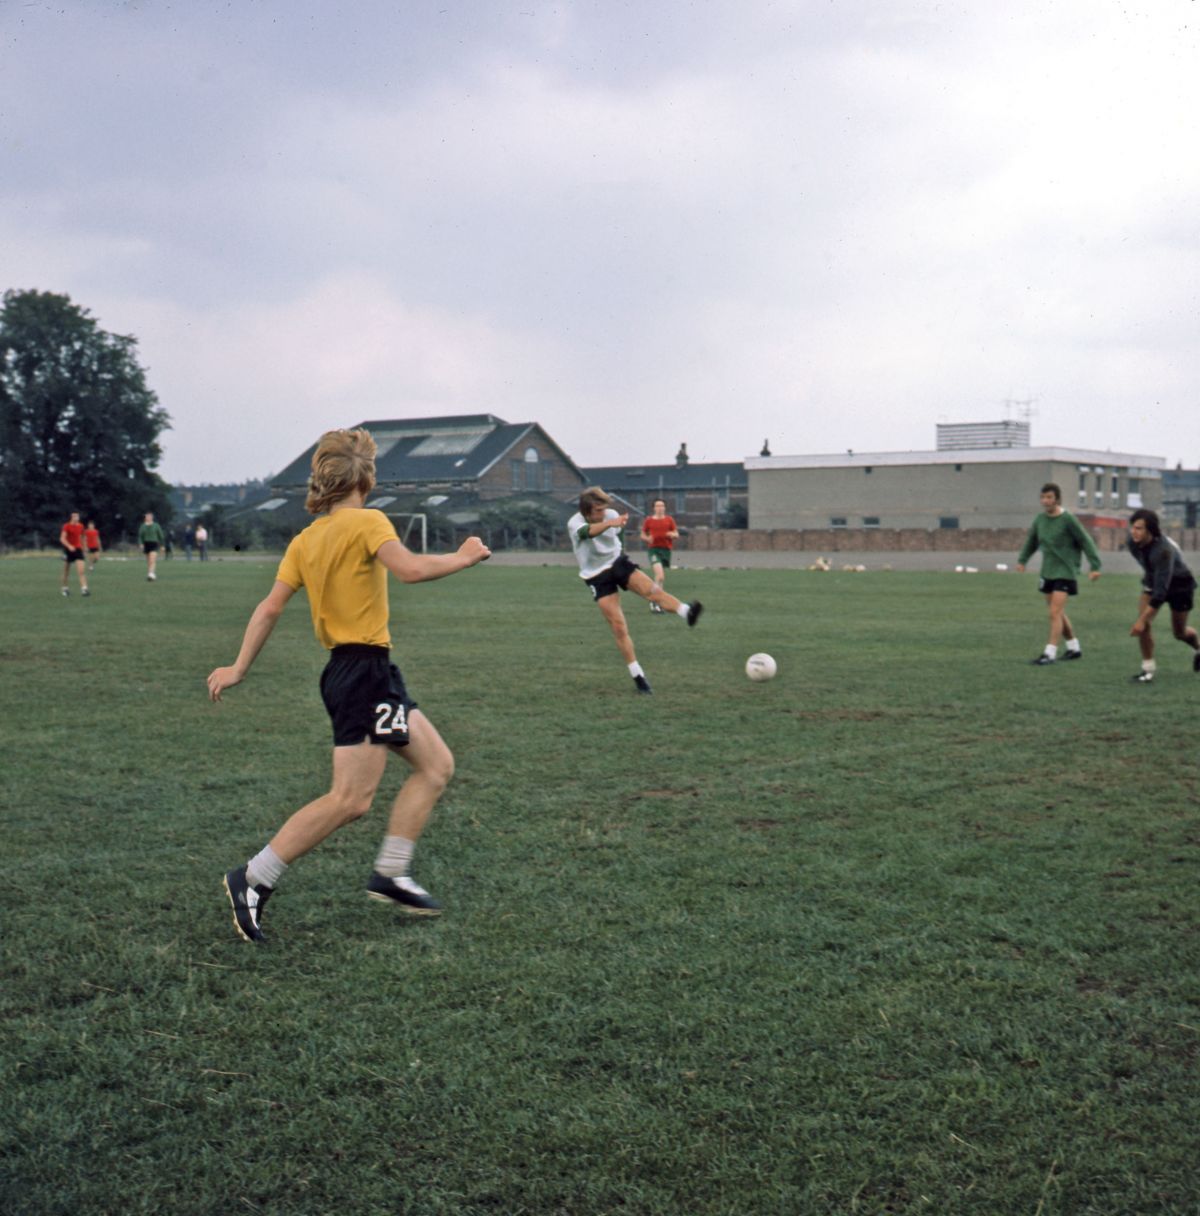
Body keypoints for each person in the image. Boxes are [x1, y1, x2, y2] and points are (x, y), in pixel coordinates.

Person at [208, 428, 490, 943]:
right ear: (367, 479)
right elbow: (409, 570)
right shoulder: (369, 521)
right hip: (362, 674)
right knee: (350, 799)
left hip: (365, 671)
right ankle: (252, 878)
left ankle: (392, 872)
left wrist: (238, 666)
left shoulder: (305, 540)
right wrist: (464, 556)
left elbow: (270, 607)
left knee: (435, 765)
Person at [567, 486, 702, 695]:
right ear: (586, 511)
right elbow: (588, 533)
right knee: (619, 626)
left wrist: (614, 527)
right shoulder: (575, 523)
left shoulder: (610, 515)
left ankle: (687, 612)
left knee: (653, 592)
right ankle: (638, 676)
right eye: (598, 511)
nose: (603, 513)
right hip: (596, 576)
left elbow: (615, 535)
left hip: (617, 562)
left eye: (604, 509)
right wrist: (610, 523)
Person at [1015, 483, 1101, 664]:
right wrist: (1022, 560)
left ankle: (1049, 653)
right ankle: (1074, 648)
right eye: (1043, 497)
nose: (1045, 501)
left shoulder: (1068, 519)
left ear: (1057, 499)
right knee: (1057, 613)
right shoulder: (1040, 520)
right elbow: (1031, 541)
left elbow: (1085, 541)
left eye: (1049, 497)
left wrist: (1095, 566)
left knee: (1055, 612)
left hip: (1066, 571)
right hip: (1048, 571)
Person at [1126, 508, 1199, 683]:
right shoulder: (1132, 542)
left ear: (1150, 530)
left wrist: (1141, 621)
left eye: (1139, 528)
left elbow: (1160, 593)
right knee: (1144, 623)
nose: (1134, 532)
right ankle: (1147, 670)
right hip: (1154, 582)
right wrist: (1142, 620)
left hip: (1180, 586)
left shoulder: (1164, 551)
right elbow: (1150, 569)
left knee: (1179, 633)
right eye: (1133, 527)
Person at [639, 498, 679, 612]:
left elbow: (676, 534)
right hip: (654, 550)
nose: (660, 508)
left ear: (665, 508)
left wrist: (672, 534)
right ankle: (654, 601)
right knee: (660, 576)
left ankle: (658, 602)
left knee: (660, 579)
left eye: (662, 506)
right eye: (657, 506)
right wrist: (647, 538)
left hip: (666, 551)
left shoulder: (669, 520)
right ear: (654, 508)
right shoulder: (649, 520)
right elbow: (642, 534)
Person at [59, 511, 90, 597]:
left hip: (78, 549)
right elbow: (62, 539)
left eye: (77, 516)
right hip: (68, 550)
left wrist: (85, 547)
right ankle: (65, 589)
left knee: (81, 571)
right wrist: (69, 546)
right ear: (71, 517)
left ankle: (84, 589)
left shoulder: (81, 526)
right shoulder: (66, 526)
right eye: (74, 516)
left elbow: (83, 537)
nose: (76, 518)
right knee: (66, 571)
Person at [138, 512, 166, 581]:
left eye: (149, 516)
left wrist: (162, 545)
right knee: (148, 561)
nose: (147, 518)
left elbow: (161, 536)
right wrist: (141, 544)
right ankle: (151, 573)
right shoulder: (143, 526)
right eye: (146, 517)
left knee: (152, 560)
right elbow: (140, 536)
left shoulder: (156, 525)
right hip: (146, 544)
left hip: (154, 543)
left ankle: (151, 573)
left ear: (151, 517)